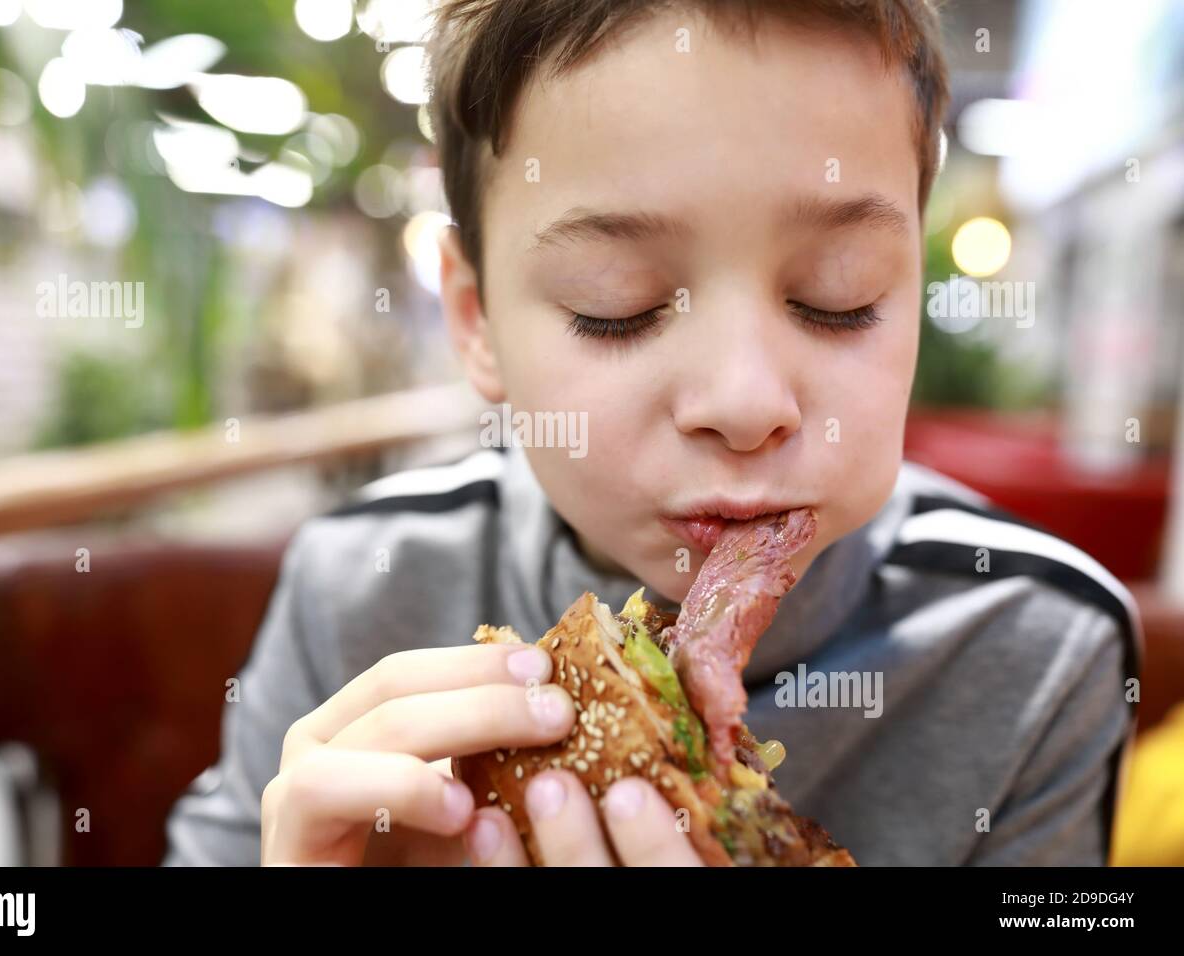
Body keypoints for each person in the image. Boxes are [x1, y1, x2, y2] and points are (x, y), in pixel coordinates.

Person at [164, 0, 1139, 866]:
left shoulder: (1038, 644)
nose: (745, 400)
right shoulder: (356, 581)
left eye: (835, 297)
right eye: (616, 307)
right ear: (478, 322)